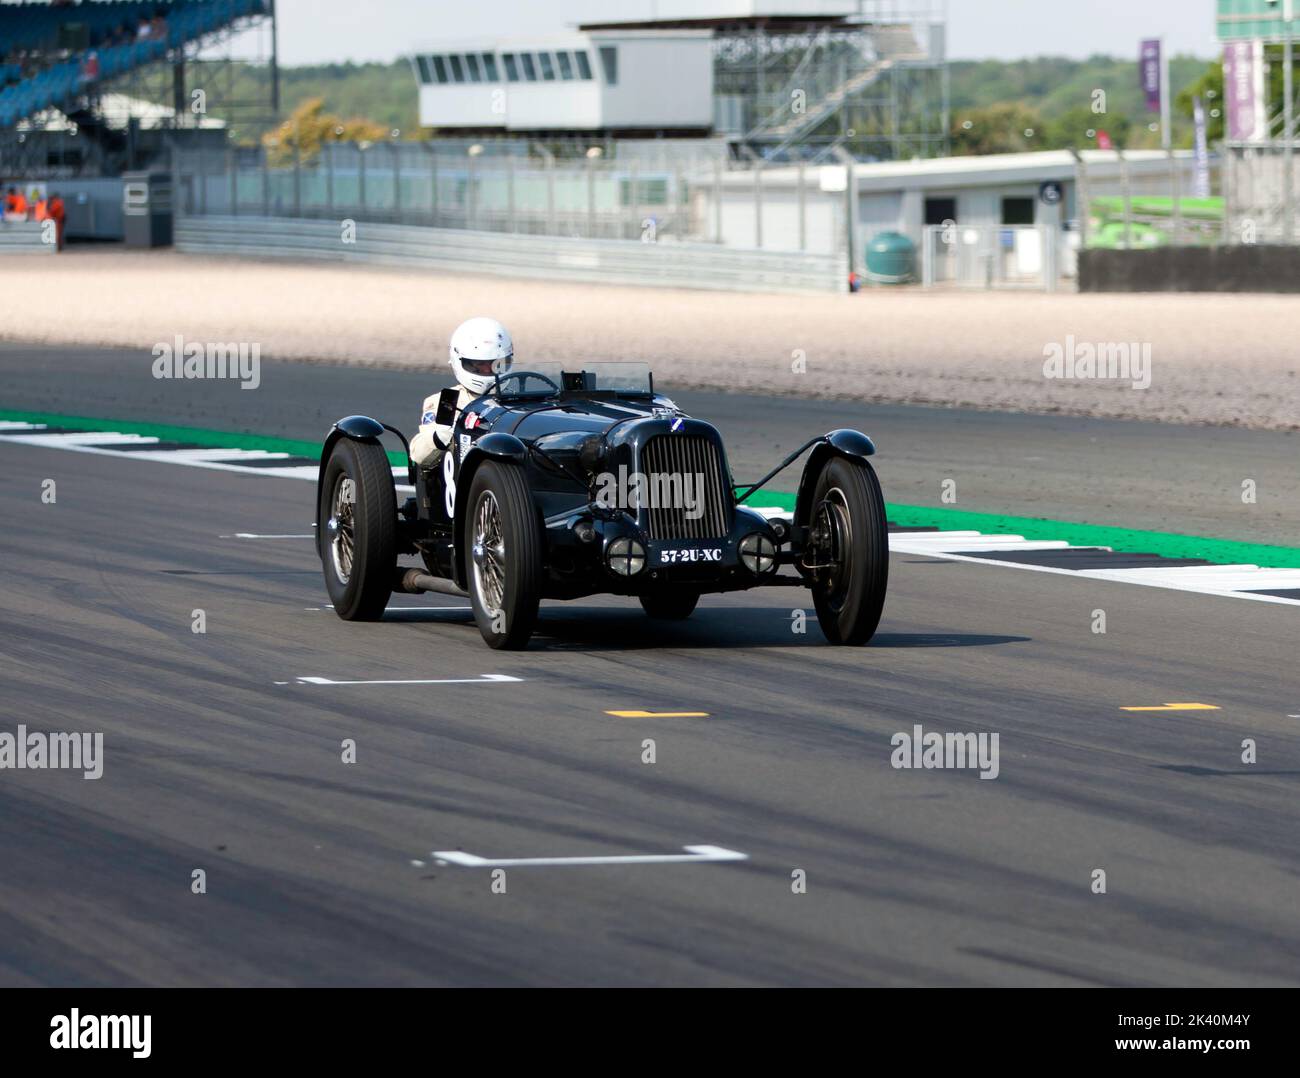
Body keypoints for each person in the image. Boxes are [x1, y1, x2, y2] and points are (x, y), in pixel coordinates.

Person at [410, 317, 513, 469]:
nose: (487, 370)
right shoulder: (447, 401)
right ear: (461, 361)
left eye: (495, 364)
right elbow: (419, 455)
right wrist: (441, 435)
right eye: (479, 364)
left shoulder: (517, 396)